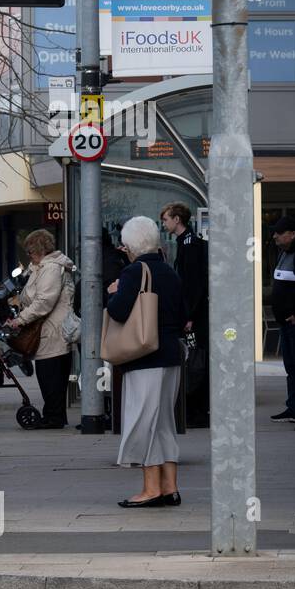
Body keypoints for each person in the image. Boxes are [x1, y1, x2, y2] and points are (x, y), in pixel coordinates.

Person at [108, 215, 186, 507]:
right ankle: (171, 487)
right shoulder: (169, 271)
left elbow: (117, 312)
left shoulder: (133, 273)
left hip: (144, 357)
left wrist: (113, 293)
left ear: (130, 245)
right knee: (164, 422)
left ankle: (151, 489)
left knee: (145, 423)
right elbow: (182, 316)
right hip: (170, 355)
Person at [5, 229, 76, 429]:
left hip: (52, 332)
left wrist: (20, 320)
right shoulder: (41, 266)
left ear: (39, 250)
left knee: (50, 377)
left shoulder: (51, 268)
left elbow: (44, 301)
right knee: (51, 377)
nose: (28, 256)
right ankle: (55, 415)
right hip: (48, 330)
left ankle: (53, 417)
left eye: (30, 252)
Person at [161, 202, 208, 427]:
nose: (164, 223)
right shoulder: (185, 242)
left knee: (196, 361)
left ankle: (197, 410)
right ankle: (196, 409)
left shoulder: (190, 244)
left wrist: (189, 315)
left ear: (177, 219)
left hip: (194, 316)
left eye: (166, 219)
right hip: (193, 313)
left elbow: (193, 284)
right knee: (195, 359)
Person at [269, 215, 295, 423]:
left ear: (292, 234)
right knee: (291, 367)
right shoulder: (284, 253)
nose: (275, 236)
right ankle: (293, 407)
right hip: (286, 323)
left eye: (279, 233)